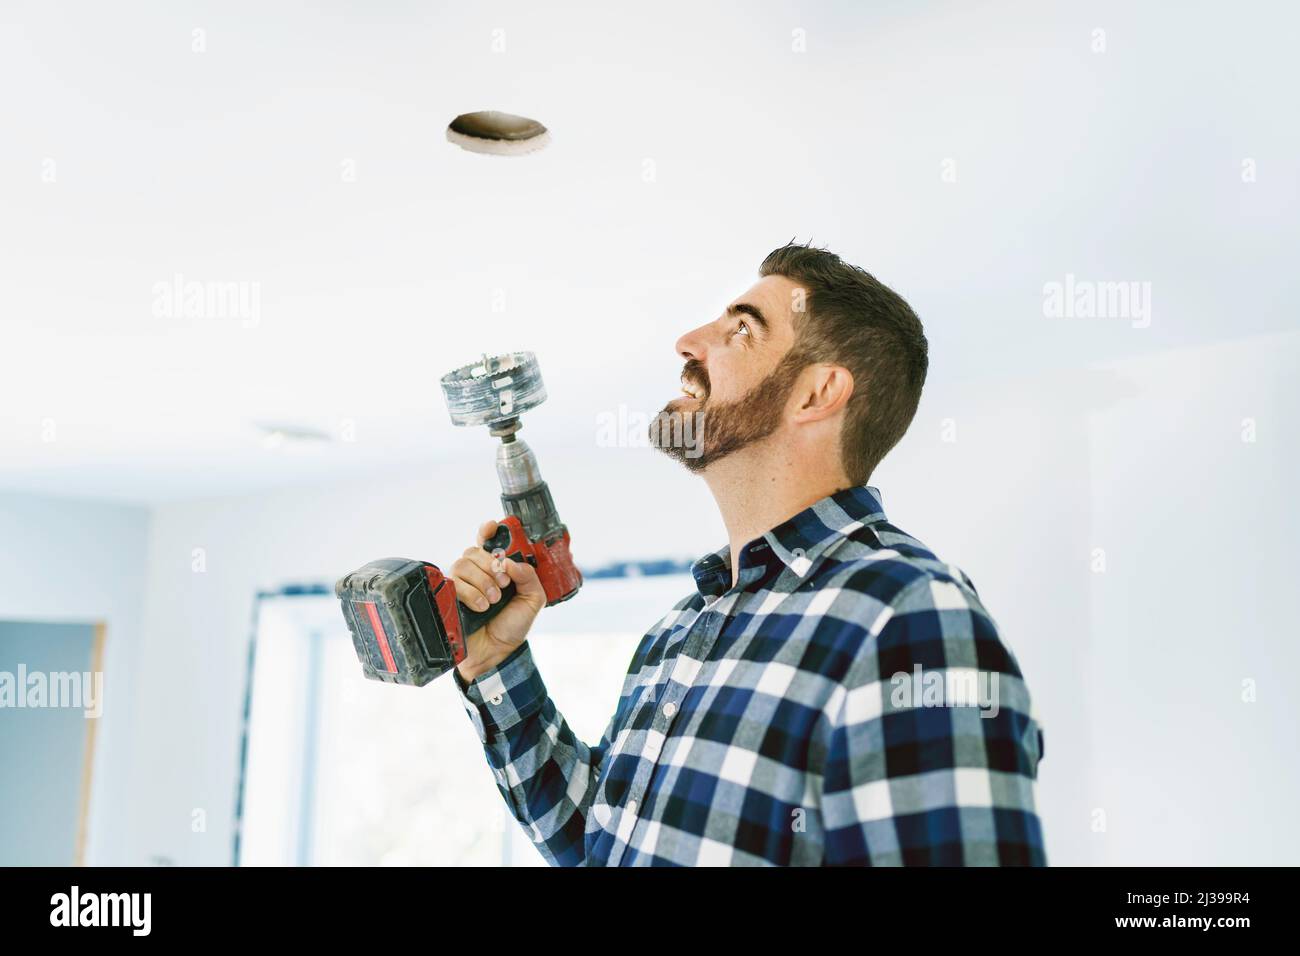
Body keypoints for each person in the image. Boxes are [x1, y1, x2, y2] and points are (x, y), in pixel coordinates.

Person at [449, 241, 1046, 866]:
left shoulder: (908, 616)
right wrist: (495, 662)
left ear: (817, 394)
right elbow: (596, 842)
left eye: (742, 329)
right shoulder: (680, 631)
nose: (687, 341)